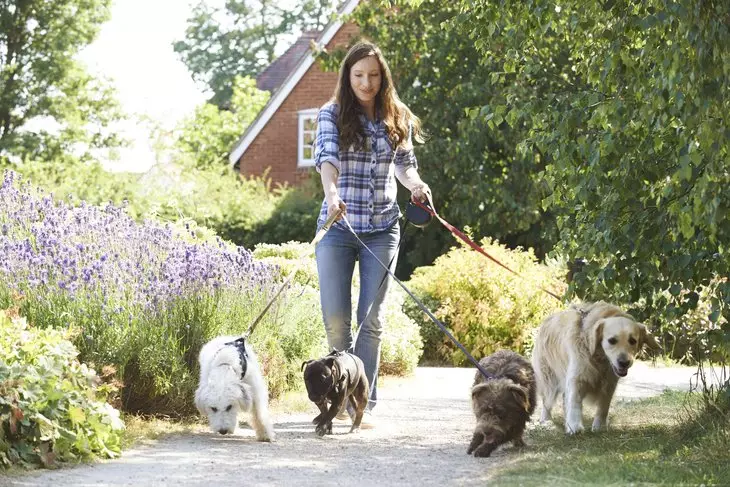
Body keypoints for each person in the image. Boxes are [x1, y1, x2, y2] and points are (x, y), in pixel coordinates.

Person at [313, 41, 432, 427]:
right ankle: (341, 392)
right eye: (359, 75)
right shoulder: (331, 114)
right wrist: (332, 195)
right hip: (337, 227)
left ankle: (362, 403)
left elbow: (405, 166)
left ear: (383, 78)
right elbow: (327, 159)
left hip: (382, 227)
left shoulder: (396, 116)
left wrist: (416, 186)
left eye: (374, 75)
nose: (366, 83)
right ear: (348, 77)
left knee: (371, 318)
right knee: (336, 320)